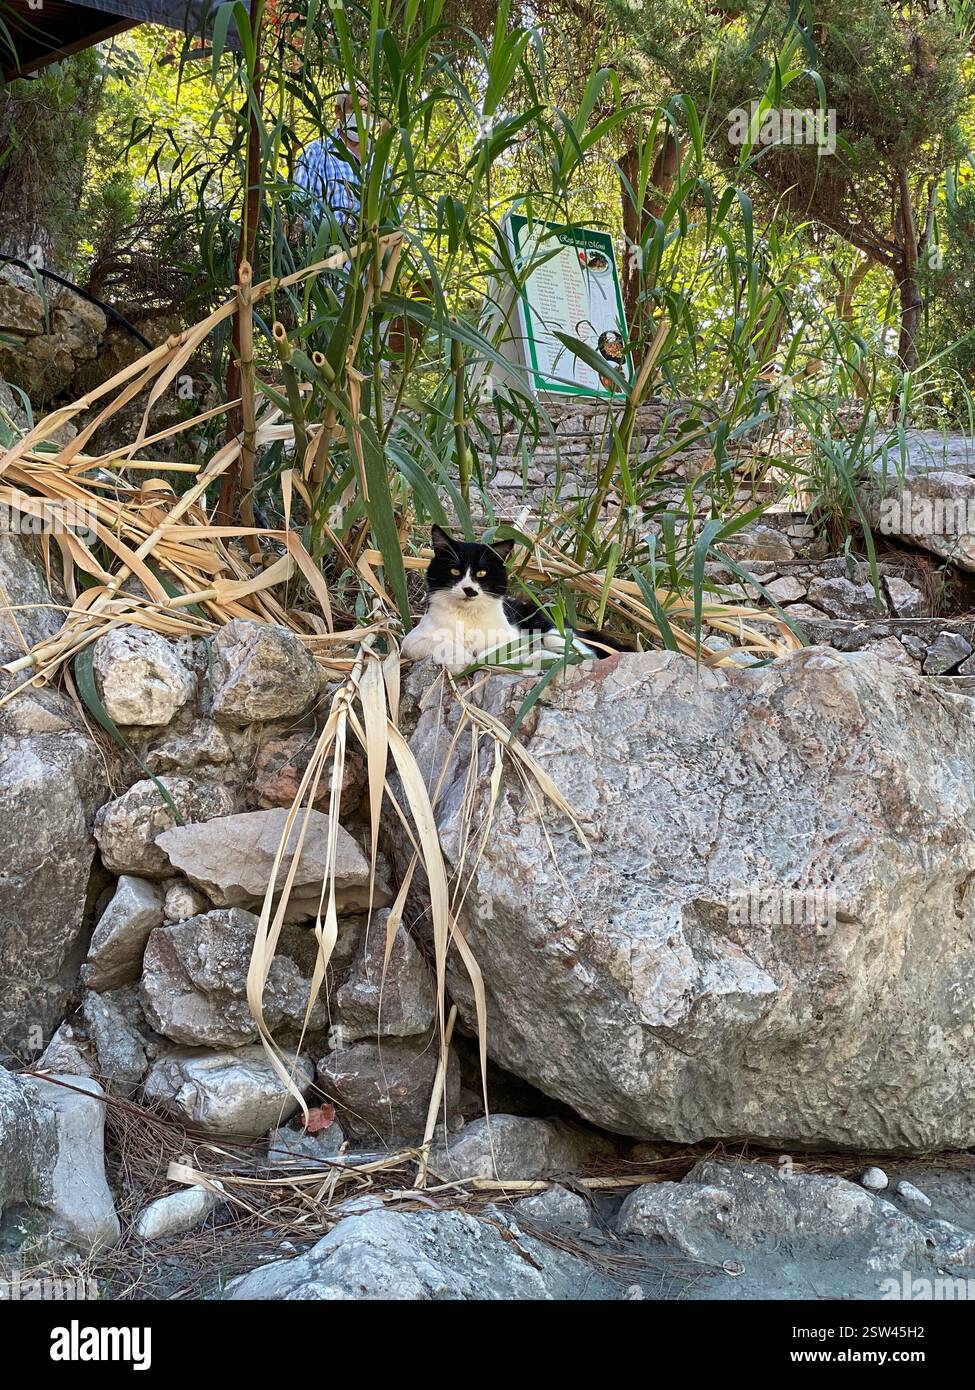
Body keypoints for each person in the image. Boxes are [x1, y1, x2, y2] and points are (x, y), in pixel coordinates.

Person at [294, 86, 368, 245]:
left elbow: (394, 219)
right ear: (338, 112)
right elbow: (297, 211)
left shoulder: (379, 162)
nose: (361, 116)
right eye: (353, 108)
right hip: (328, 260)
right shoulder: (316, 154)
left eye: (366, 110)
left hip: (375, 264)